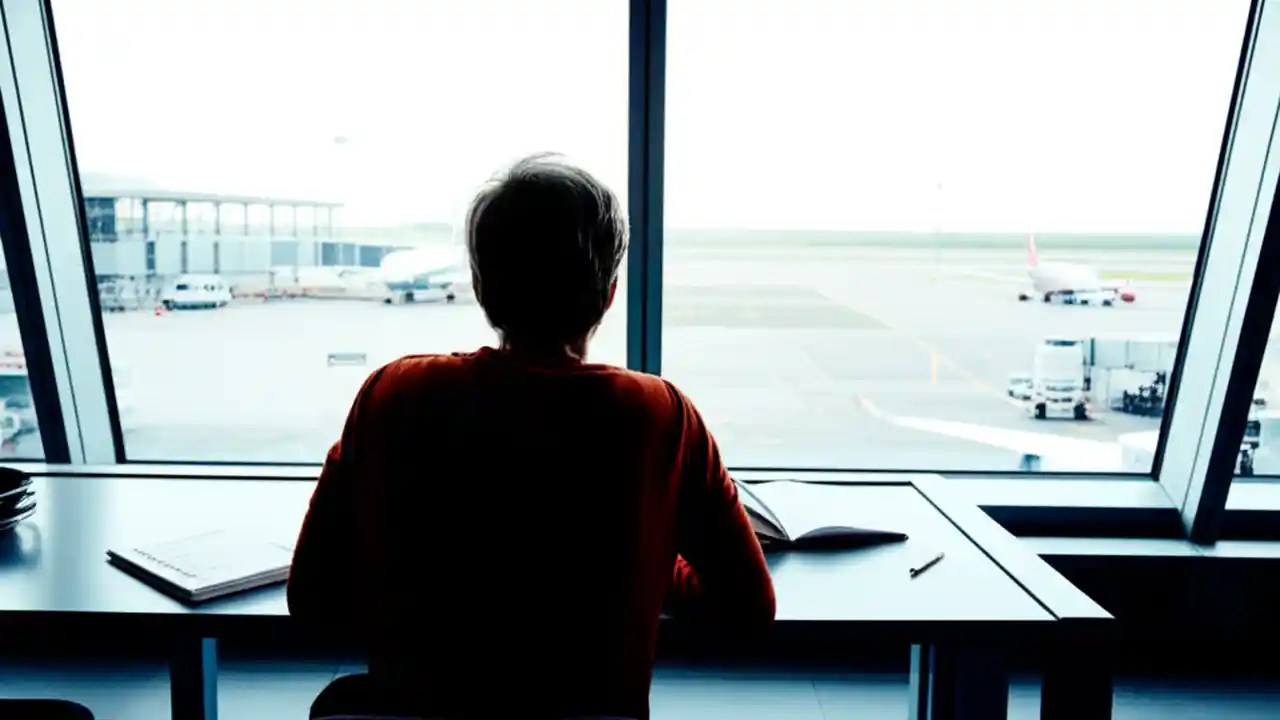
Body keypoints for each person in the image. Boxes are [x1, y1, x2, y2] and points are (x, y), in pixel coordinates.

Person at [288, 154, 775, 720]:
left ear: (480, 285)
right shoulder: (662, 416)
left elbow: (313, 599)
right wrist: (653, 562)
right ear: (610, 292)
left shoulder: (393, 393)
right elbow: (749, 608)